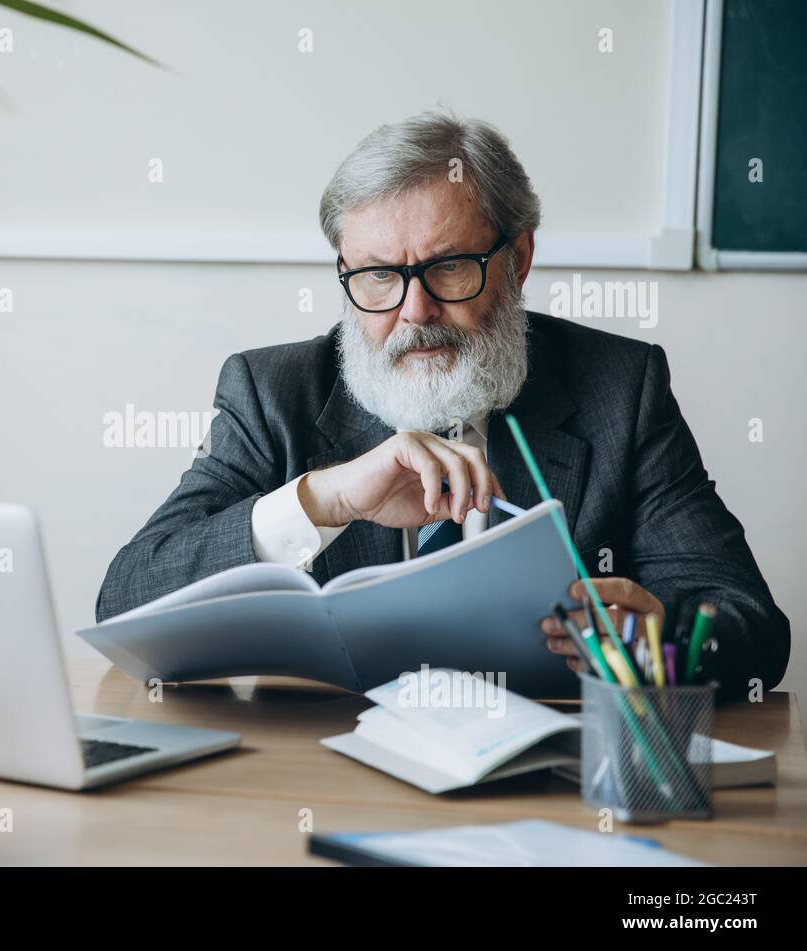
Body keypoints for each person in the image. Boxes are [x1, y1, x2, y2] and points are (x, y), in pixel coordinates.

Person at [96, 112, 789, 702]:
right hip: (321, 773)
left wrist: (658, 640)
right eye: (377, 275)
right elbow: (126, 601)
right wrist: (322, 500)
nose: (414, 311)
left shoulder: (620, 387)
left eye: (448, 267)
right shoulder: (272, 391)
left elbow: (752, 625)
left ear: (517, 258)